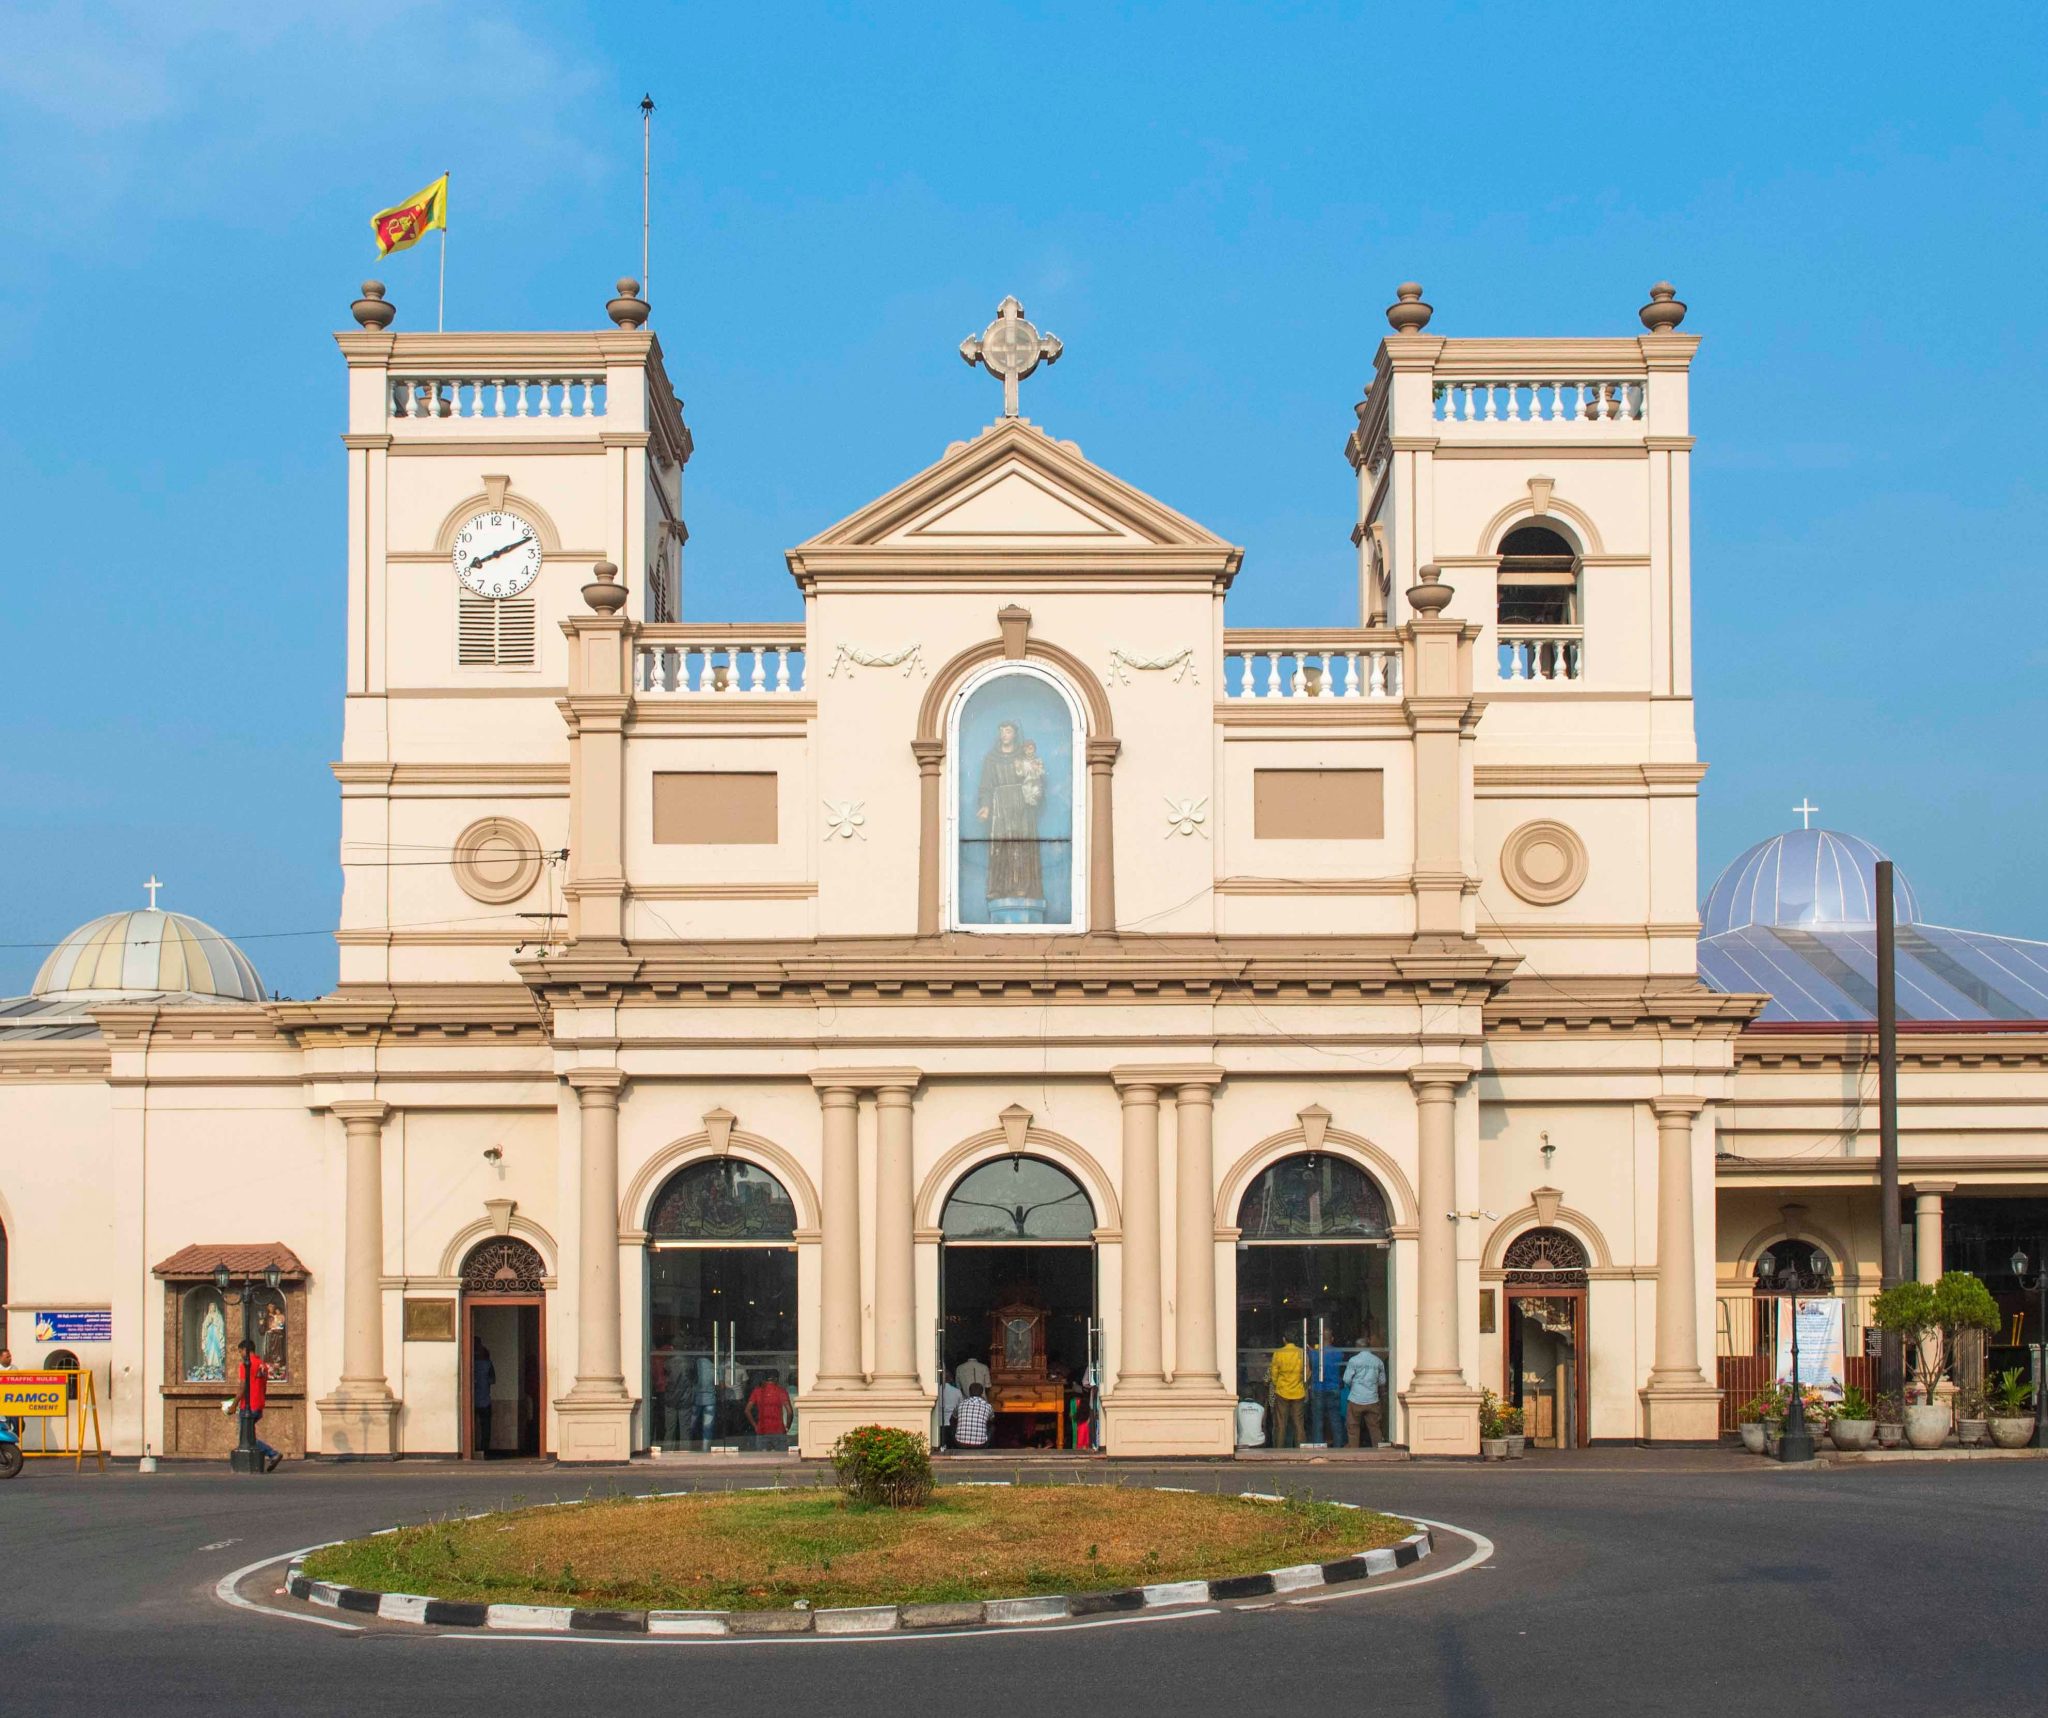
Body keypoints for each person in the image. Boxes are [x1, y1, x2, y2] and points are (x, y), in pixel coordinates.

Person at [975, 720, 1045, 910]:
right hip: (1000, 806)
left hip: (1021, 804)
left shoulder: (1023, 756)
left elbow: (1036, 778)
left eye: (1008, 731)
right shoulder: (991, 758)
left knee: (1020, 843)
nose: (1004, 734)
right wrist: (985, 806)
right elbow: (986, 786)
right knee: (1000, 845)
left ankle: (1021, 886)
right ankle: (998, 888)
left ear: (1015, 733)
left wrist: (1034, 792)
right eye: (1001, 731)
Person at [236, 1338, 281, 1472]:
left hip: (249, 1404)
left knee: (245, 1436)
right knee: (248, 1435)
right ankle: (270, 1454)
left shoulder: (246, 1364)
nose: (240, 1354)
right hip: (259, 1403)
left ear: (245, 1350)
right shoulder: (262, 1364)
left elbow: (243, 1387)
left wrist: (234, 1403)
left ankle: (272, 1453)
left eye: (240, 1351)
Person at [1342, 1339, 1387, 1449]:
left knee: (1353, 1427)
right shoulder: (1378, 1361)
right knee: (1374, 1427)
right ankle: (1378, 1451)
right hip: (1373, 1399)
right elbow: (1382, 1381)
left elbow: (1346, 1379)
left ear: (1357, 1347)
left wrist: (1353, 1386)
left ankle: (1354, 1450)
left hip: (1356, 1399)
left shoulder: (1354, 1360)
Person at [1268, 1335, 1308, 1448]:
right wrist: (1301, 1384)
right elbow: (1307, 1372)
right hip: (1298, 1392)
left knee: (1281, 1424)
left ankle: (1279, 1450)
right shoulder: (1301, 1352)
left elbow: (1274, 1373)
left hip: (1282, 1391)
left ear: (1284, 1339)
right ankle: (1302, 1450)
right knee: (1298, 1424)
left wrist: (1277, 1385)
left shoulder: (1278, 1353)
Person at [1309, 1334, 1348, 1448]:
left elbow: (1311, 1365)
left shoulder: (1314, 1353)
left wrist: (1312, 1351)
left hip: (1318, 1388)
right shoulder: (1338, 1353)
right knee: (1335, 1419)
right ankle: (1338, 1446)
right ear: (1332, 1339)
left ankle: (1318, 1446)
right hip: (1333, 1387)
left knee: (1318, 1419)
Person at [744, 1371, 792, 1443]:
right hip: (778, 1429)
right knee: (780, 1454)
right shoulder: (781, 1391)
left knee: (762, 1454)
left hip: (762, 1429)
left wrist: (755, 1426)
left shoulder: (757, 1391)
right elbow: (789, 1412)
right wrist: (787, 1427)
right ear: (776, 1379)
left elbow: (747, 1410)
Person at [471, 1343, 496, 1456]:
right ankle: (485, 1450)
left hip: (471, 1400)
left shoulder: (470, 1362)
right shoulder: (488, 1363)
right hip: (485, 1400)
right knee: (485, 1427)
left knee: (471, 1426)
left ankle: (471, 1449)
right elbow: (492, 1380)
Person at [953, 1382, 994, 1448]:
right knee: (992, 1427)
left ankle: (956, 1441)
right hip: (980, 1444)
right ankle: (987, 1446)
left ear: (969, 1392)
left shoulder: (961, 1404)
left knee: (953, 1423)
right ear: (982, 1393)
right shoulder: (988, 1406)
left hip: (960, 1443)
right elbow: (992, 1420)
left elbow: (953, 1418)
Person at [938, 1377, 962, 1449]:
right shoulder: (957, 1391)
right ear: (951, 1379)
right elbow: (961, 1406)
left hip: (938, 1421)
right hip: (952, 1422)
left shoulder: (935, 1391)